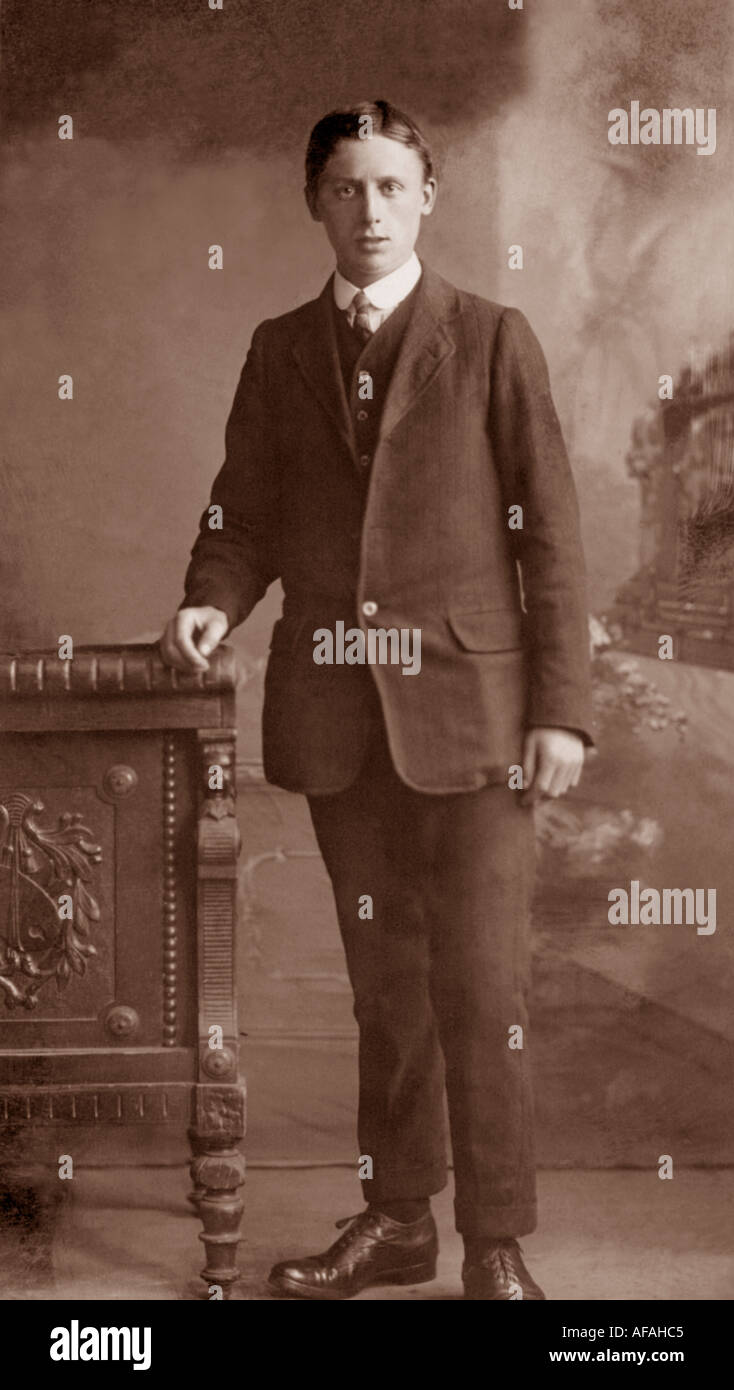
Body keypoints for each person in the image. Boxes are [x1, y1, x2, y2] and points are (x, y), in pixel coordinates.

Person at [160, 99, 594, 1301]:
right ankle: (398, 1220)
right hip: (339, 724)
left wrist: (560, 708)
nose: (368, 211)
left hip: (477, 723)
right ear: (315, 202)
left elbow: (551, 540)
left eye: (391, 188)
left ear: (426, 199)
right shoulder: (277, 349)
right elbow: (237, 513)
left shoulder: (495, 339)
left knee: (483, 987)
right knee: (383, 989)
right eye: (345, 188)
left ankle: (493, 1240)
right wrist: (211, 595)